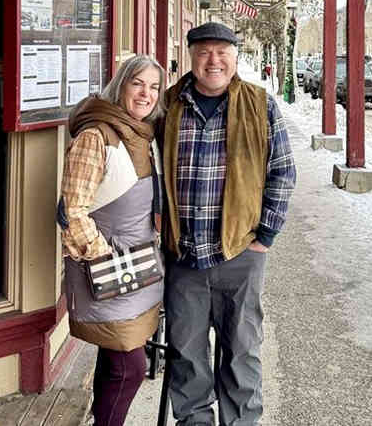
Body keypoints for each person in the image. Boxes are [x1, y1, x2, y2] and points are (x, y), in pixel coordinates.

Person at [161, 22, 296, 426]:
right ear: (190, 56)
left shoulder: (260, 104)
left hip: (240, 253)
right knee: (186, 355)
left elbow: (283, 172)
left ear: (236, 57)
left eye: (222, 52)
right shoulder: (168, 105)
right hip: (184, 256)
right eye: (204, 52)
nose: (213, 61)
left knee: (241, 354)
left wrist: (265, 236)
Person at [58, 55, 166, 426]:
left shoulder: (144, 135)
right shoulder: (96, 136)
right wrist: (105, 258)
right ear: (120, 85)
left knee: (114, 358)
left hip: (138, 269)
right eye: (138, 83)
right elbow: (72, 210)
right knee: (129, 368)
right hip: (108, 271)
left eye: (154, 87)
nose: (146, 94)